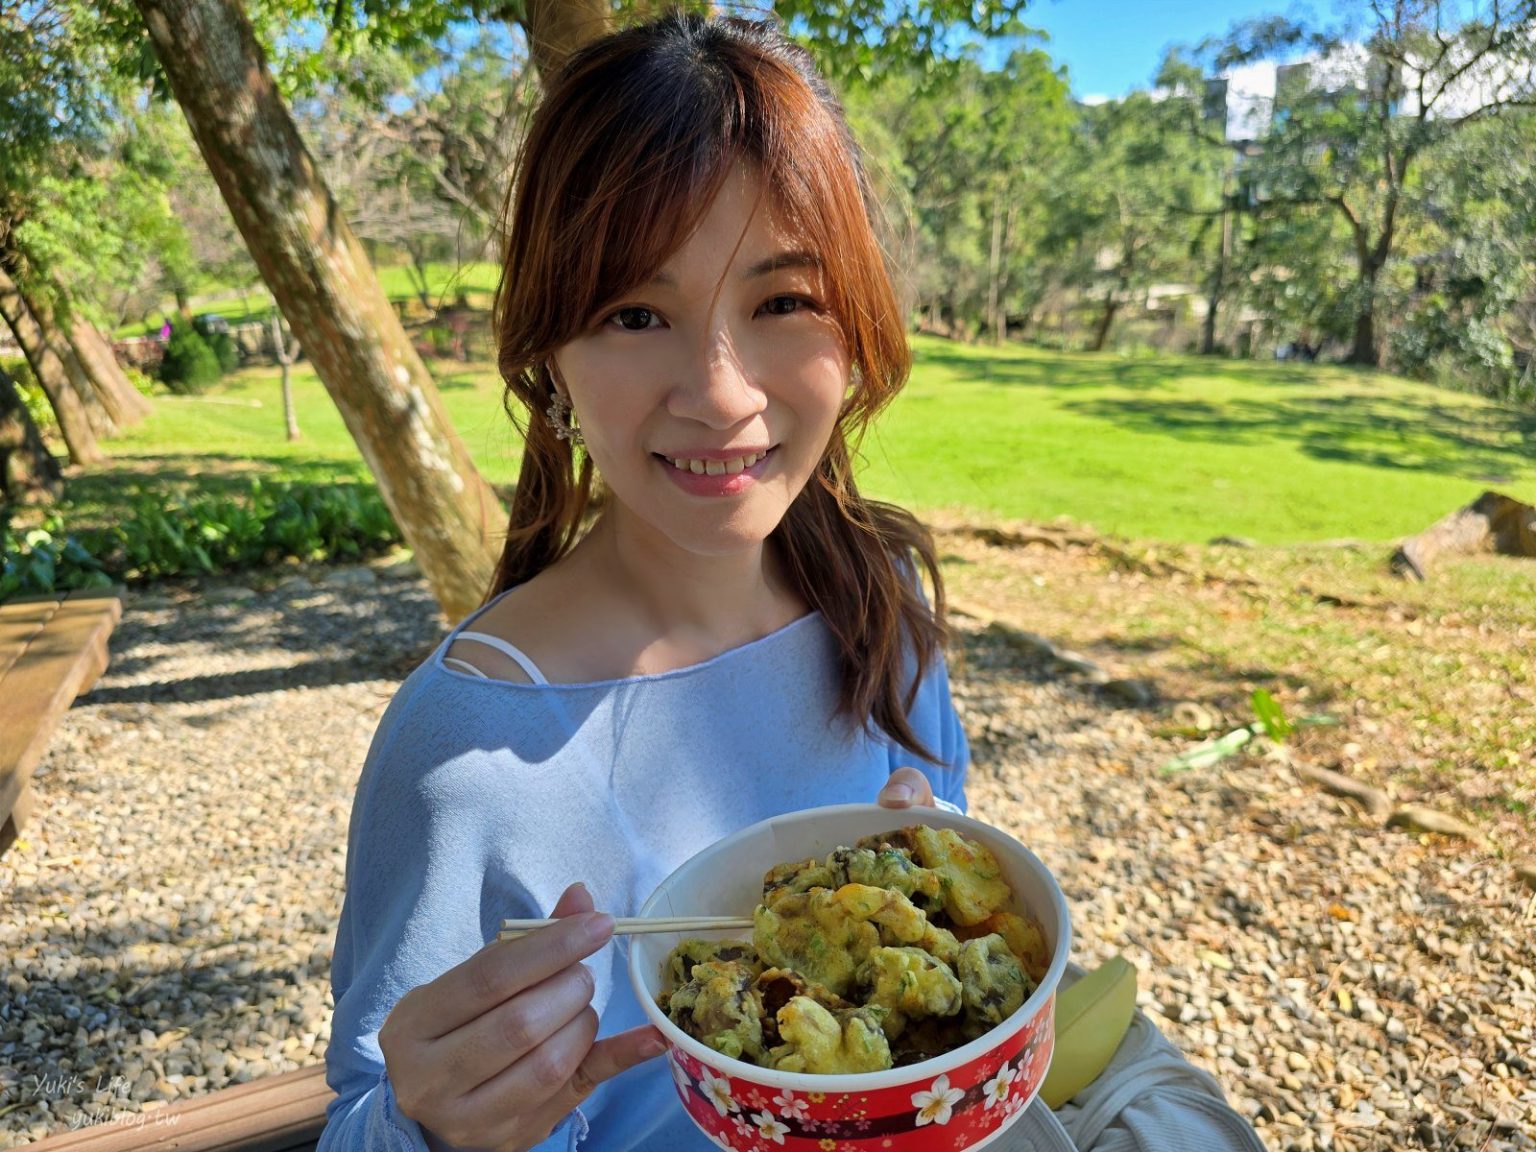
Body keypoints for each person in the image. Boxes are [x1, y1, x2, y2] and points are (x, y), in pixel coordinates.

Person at [318, 13, 1266, 1152]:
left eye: (779, 302)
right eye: (634, 314)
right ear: (549, 365)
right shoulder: (466, 758)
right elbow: (368, 1121)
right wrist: (435, 1128)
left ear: (855, 334)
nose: (720, 394)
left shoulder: (880, 614)